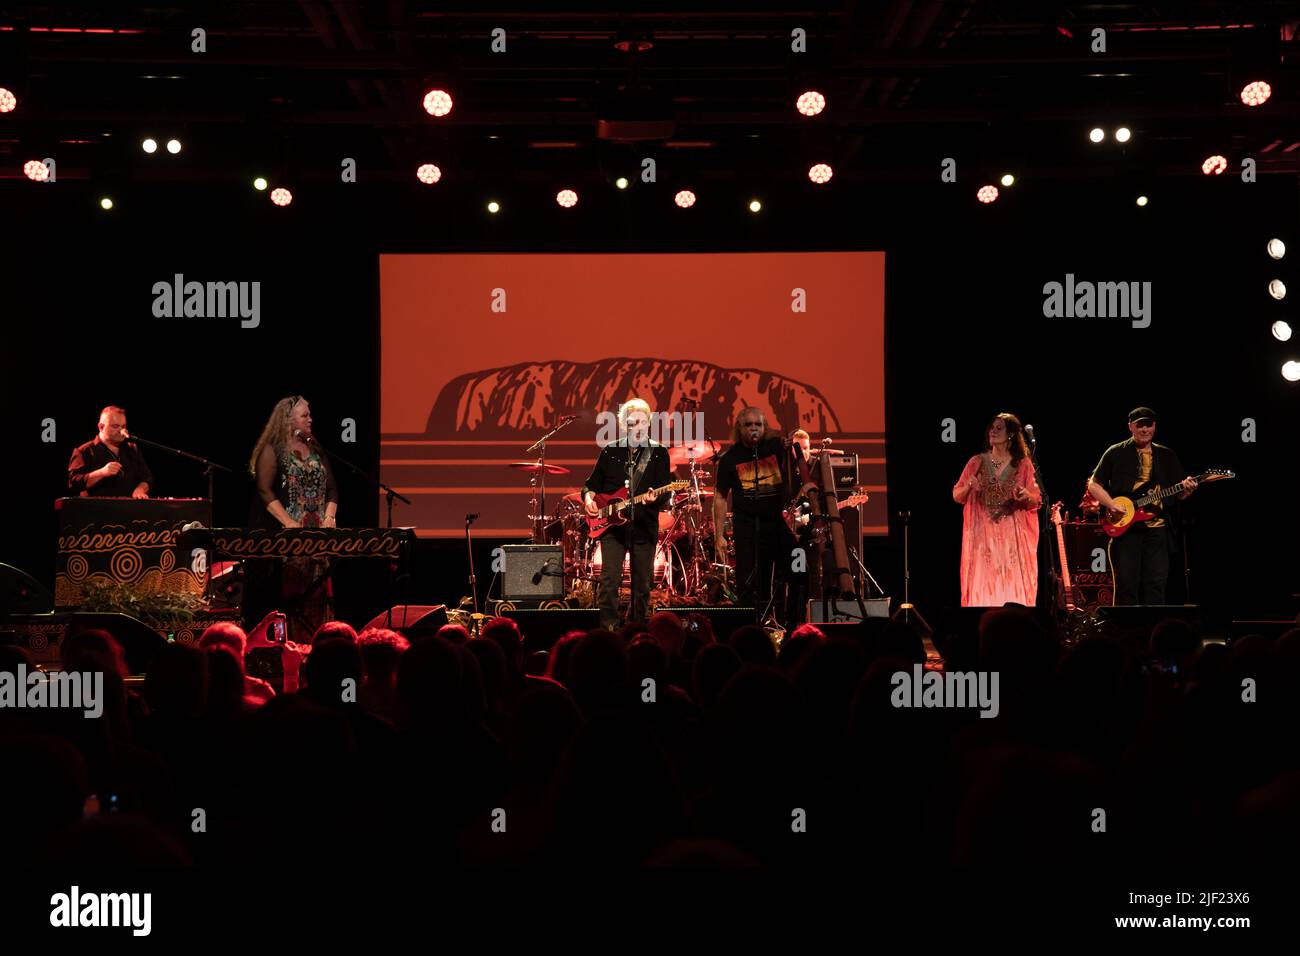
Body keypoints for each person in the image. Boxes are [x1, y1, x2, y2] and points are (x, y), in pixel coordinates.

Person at [245, 396, 339, 643]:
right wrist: (288, 521)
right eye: (305, 415)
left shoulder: (316, 449)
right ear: (288, 419)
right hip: (288, 544)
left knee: (318, 597)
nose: (311, 419)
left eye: (309, 414)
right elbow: (264, 490)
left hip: (319, 541)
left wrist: (329, 516)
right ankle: (289, 652)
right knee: (291, 600)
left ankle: (319, 650)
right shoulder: (273, 450)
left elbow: (332, 489)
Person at [1087, 407, 1197, 605]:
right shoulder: (1115, 452)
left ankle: (1152, 631)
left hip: (1157, 529)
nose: (1145, 429)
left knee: (1156, 584)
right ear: (1130, 426)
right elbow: (1094, 484)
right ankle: (1125, 633)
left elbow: (1178, 493)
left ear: (1155, 426)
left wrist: (1186, 491)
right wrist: (1110, 503)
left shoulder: (1167, 455)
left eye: (1149, 425)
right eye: (1140, 425)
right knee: (1126, 584)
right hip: (1126, 528)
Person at [581, 399, 672, 630]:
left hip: (643, 525)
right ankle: (609, 630)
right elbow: (590, 485)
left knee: (642, 585)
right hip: (612, 528)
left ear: (649, 423)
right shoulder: (610, 451)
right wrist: (589, 499)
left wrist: (656, 498)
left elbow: (665, 491)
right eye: (632, 423)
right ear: (624, 425)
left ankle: (638, 630)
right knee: (609, 581)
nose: (637, 427)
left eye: (642, 422)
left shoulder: (659, 453)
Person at [712, 407, 802, 628]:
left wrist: (791, 446)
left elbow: (798, 457)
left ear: (764, 428)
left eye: (758, 425)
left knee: (799, 567)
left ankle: (793, 625)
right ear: (740, 428)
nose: (754, 429)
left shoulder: (775, 447)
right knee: (748, 585)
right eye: (749, 425)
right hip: (747, 528)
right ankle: (750, 632)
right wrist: (719, 535)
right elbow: (720, 497)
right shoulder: (729, 458)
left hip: (775, 523)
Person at [952, 412, 1041, 607]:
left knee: (1013, 593)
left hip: (1013, 545)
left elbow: (1037, 499)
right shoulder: (977, 462)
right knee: (985, 590)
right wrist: (968, 486)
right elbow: (957, 495)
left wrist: (1027, 495)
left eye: (999, 428)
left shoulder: (1023, 464)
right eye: (992, 427)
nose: (993, 431)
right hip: (983, 543)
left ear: (1010, 435)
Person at [67, 406, 153, 498]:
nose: (122, 431)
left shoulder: (132, 449)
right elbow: (74, 483)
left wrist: (140, 489)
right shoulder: (84, 451)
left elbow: (147, 478)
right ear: (101, 427)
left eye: (123, 426)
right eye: (115, 426)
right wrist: (101, 473)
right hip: (96, 510)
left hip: (129, 510)